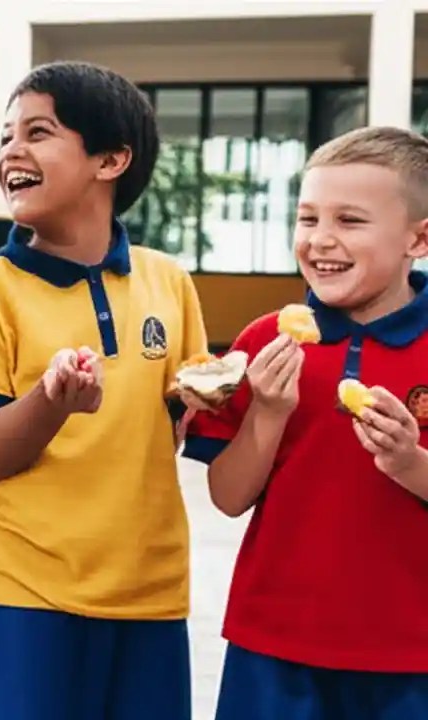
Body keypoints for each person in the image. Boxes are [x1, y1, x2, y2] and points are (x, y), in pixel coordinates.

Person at [0, 61, 209, 720]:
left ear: (111, 159)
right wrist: (50, 403)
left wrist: (211, 400)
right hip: (22, 596)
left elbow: (182, 420)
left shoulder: (167, 282)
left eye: (38, 132)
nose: (11, 151)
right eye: (6, 136)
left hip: (150, 594)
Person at [184, 126, 428, 719]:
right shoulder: (261, 342)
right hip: (274, 642)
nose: (321, 240)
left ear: (418, 239)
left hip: (412, 653)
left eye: (350, 220)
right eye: (307, 218)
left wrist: (410, 463)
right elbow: (228, 496)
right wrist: (267, 413)